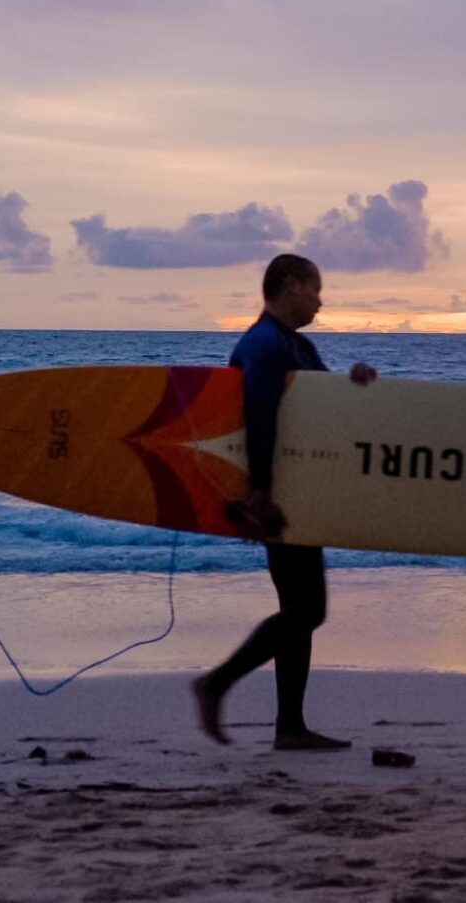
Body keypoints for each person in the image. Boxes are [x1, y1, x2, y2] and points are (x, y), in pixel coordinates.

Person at [192, 253, 377, 750]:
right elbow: (259, 416)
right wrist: (259, 491)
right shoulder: (263, 345)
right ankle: (216, 684)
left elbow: (318, 409)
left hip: (298, 490)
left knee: (300, 606)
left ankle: (290, 727)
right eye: (315, 289)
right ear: (291, 285)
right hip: (275, 494)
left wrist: (352, 383)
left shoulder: (297, 346)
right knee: (308, 608)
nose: (321, 299)